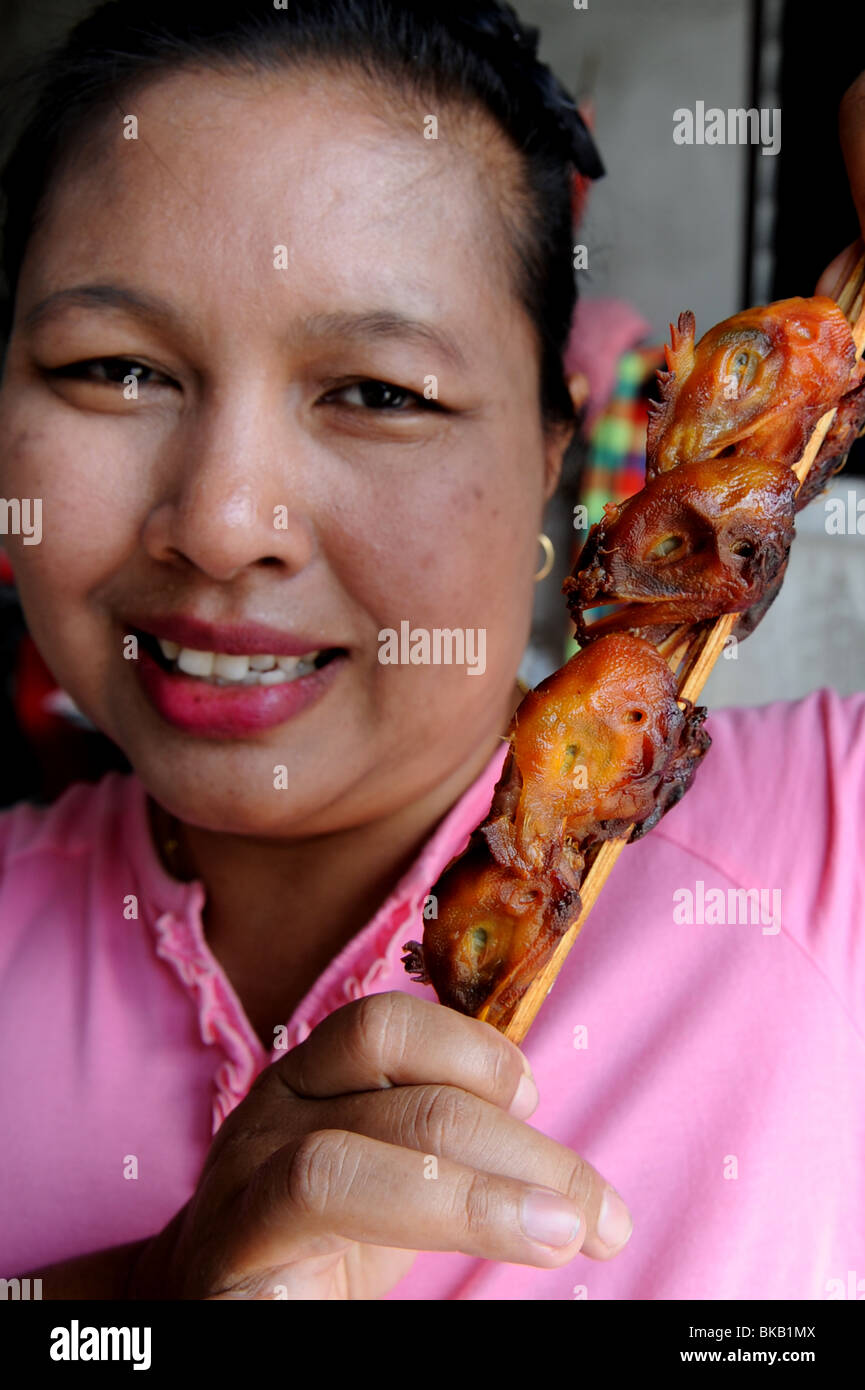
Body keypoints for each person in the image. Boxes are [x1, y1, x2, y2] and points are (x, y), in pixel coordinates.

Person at [0, 0, 862, 1301]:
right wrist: (138, 1304)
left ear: (547, 457)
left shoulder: (829, 858)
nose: (227, 523)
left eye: (377, 392)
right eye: (117, 371)